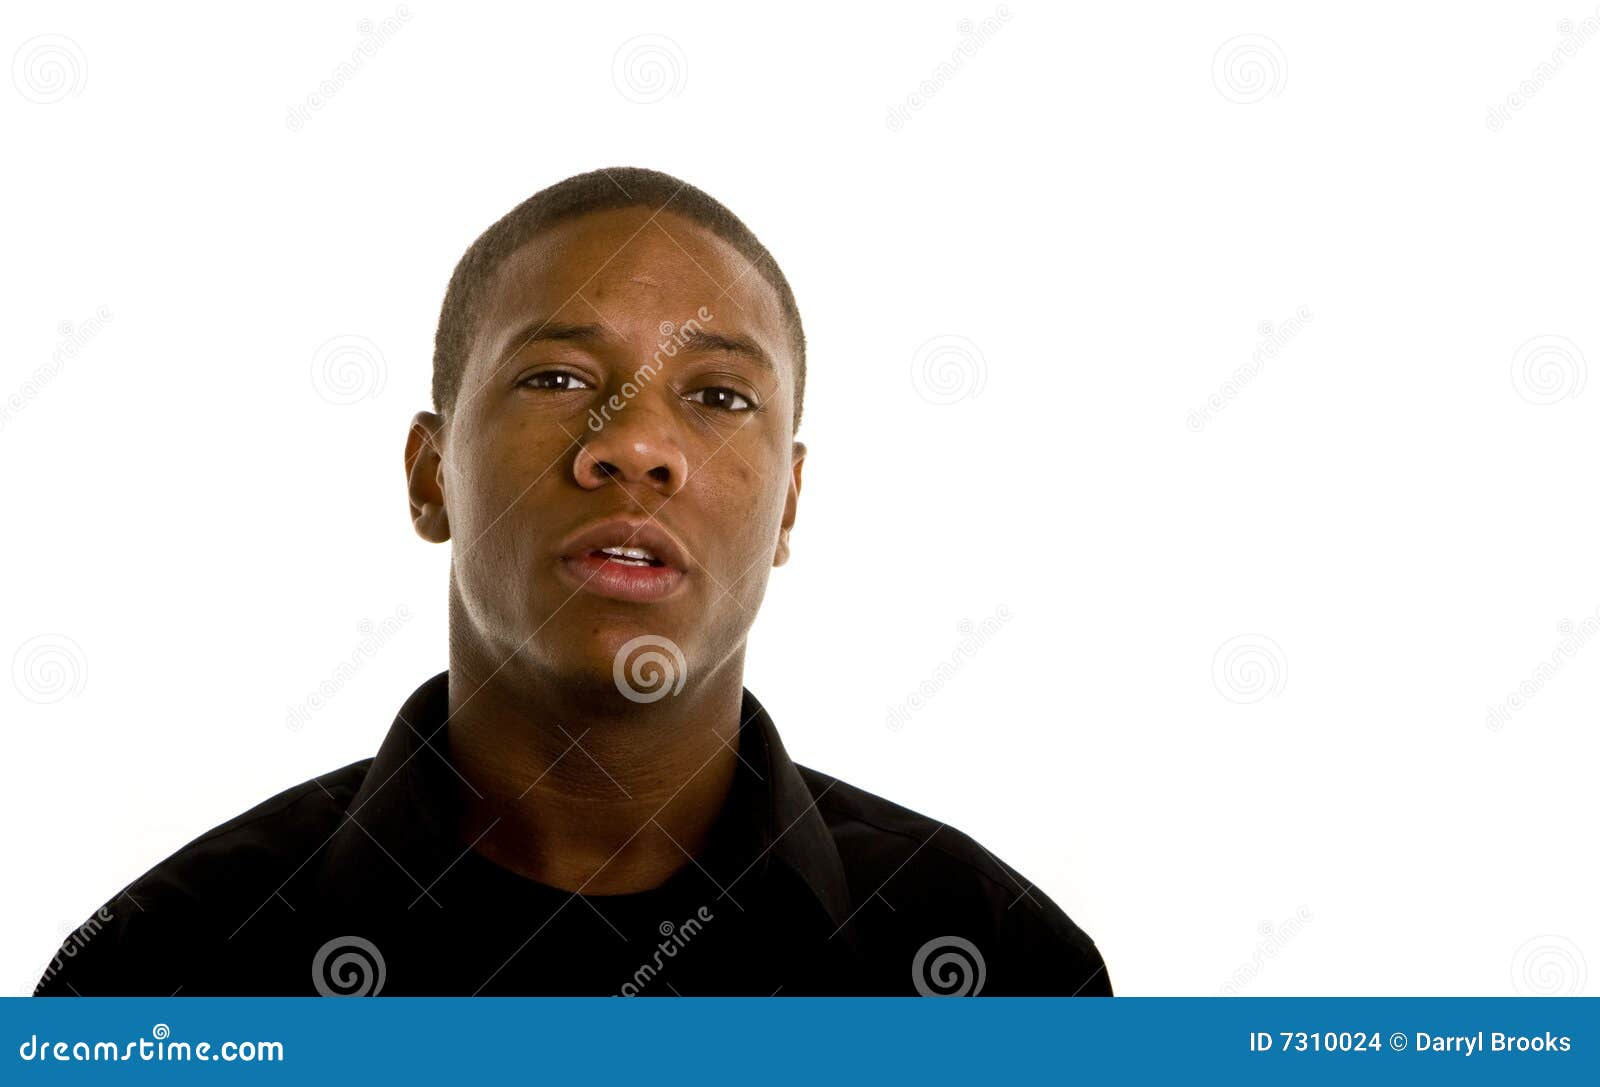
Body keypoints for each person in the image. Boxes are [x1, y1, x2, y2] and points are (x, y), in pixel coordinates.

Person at [35, 167, 1110, 996]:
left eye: (721, 396)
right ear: (430, 475)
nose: (635, 444)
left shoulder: (998, 966)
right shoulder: (160, 970)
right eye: (556, 378)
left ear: (786, 502)